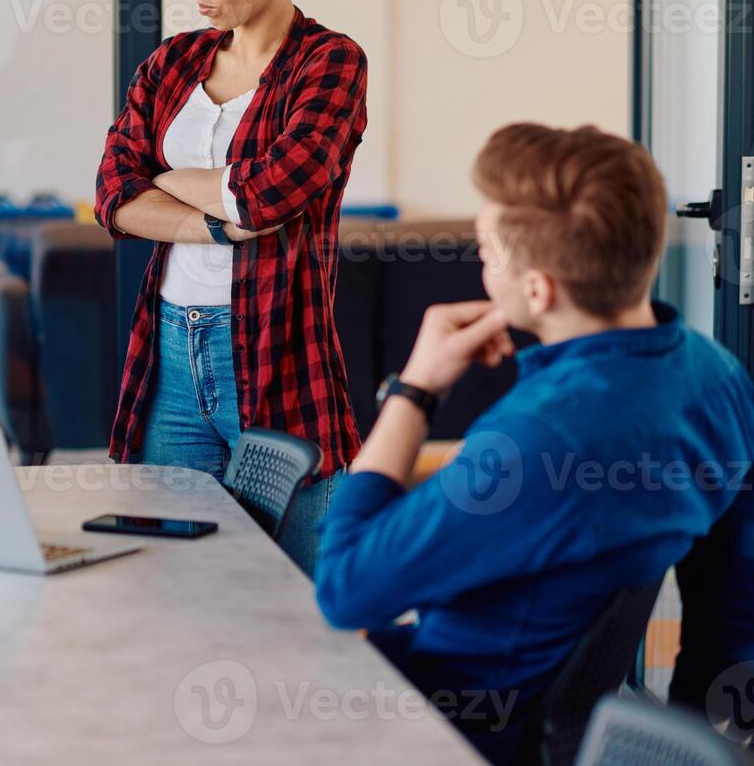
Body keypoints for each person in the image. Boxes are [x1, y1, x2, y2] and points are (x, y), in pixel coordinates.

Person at [315, 123, 754, 763]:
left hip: (444, 733)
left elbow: (344, 587)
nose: (481, 260)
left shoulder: (535, 441)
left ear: (538, 289)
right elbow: (733, 612)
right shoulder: (716, 377)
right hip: (565, 733)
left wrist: (415, 389)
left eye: (487, 251)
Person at [93, 0, 368, 574]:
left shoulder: (330, 62)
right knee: (176, 579)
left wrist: (165, 178)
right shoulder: (173, 61)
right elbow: (113, 195)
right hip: (169, 348)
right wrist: (215, 223)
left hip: (277, 352)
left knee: (300, 589)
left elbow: (270, 196)